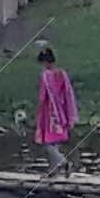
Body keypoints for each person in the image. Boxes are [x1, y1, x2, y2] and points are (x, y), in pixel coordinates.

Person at [34, 48, 78, 176]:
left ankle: (63, 162)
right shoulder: (62, 74)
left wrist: (39, 112)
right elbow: (68, 93)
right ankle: (53, 170)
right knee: (55, 143)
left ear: (45, 62)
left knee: (47, 143)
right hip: (62, 114)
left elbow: (43, 97)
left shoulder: (46, 76)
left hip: (49, 115)